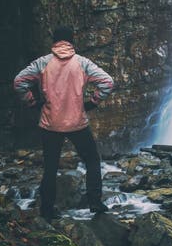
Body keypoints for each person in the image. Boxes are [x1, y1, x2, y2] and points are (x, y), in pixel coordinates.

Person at [13, 25, 114, 222]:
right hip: (77, 123)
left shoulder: (43, 63)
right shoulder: (82, 63)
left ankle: (47, 209)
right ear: (71, 41)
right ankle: (95, 201)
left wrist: (32, 101)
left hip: (50, 124)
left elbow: (19, 82)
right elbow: (107, 82)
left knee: (50, 167)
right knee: (92, 160)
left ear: (54, 42)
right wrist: (92, 102)